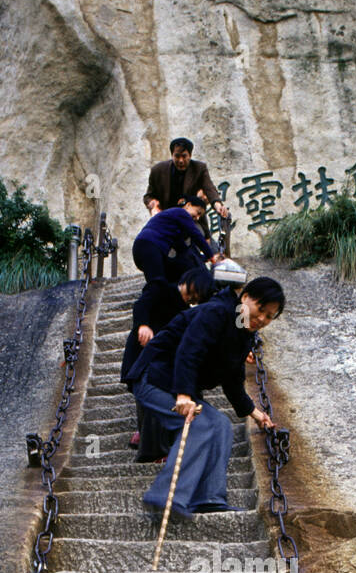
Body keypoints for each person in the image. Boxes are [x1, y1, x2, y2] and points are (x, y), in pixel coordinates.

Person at [127, 277, 284, 517]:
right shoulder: (217, 312)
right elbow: (189, 350)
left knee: (221, 425)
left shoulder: (242, 332)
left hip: (174, 384)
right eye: (260, 309)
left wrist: (254, 412)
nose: (262, 318)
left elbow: (233, 379)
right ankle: (167, 495)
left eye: (270, 316)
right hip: (154, 378)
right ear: (245, 297)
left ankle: (209, 497)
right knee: (198, 423)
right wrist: (183, 395)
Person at [120, 265, 216, 461]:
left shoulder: (186, 310)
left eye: (197, 298)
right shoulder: (161, 287)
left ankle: (156, 441)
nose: (192, 298)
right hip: (141, 352)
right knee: (143, 395)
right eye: (192, 292)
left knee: (157, 396)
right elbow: (141, 305)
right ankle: (145, 436)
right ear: (188, 281)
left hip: (162, 361)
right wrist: (143, 324)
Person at [144, 137, 230, 240]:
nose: (181, 160)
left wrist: (218, 206)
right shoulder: (158, 170)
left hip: (192, 221)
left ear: (190, 155)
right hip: (166, 220)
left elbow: (209, 189)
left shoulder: (199, 169)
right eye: (177, 156)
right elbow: (148, 196)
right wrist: (153, 205)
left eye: (184, 156)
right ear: (172, 155)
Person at [131, 195, 215, 284]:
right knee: (156, 285)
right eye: (198, 212)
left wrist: (204, 259)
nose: (197, 218)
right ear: (188, 205)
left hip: (143, 249)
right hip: (149, 246)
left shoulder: (174, 225)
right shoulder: (181, 212)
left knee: (161, 284)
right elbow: (196, 235)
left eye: (200, 216)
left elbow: (183, 250)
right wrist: (211, 256)